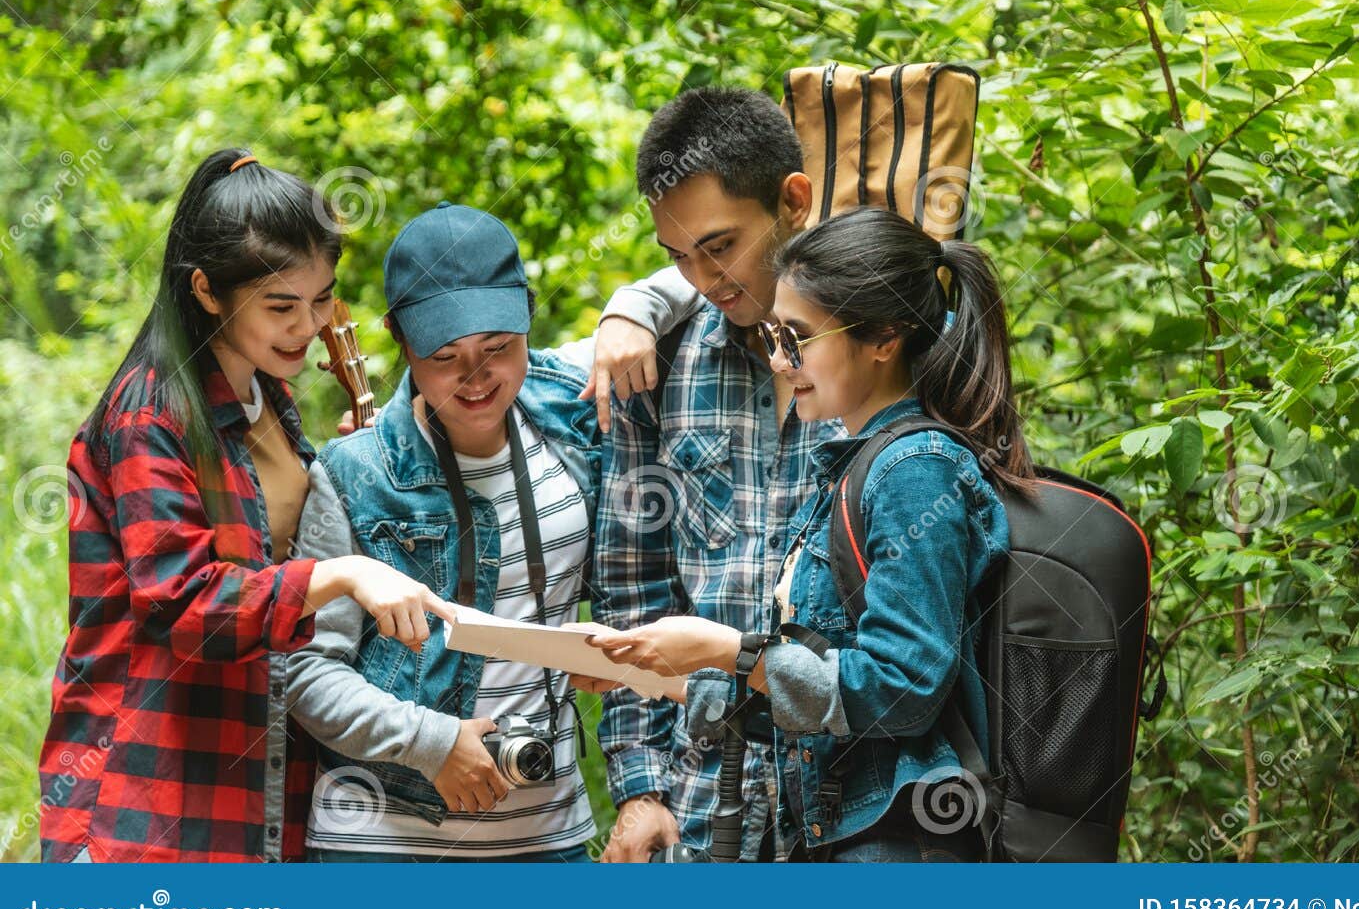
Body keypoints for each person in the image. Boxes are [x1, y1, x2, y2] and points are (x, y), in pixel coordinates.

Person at [38, 149, 455, 863]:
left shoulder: (269, 397)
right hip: (143, 806)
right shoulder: (151, 412)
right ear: (206, 290)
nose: (307, 324)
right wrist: (345, 574)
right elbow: (182, 605)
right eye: (280, 306)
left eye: (322, 298)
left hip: (252, 787)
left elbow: (273, 552)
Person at [588, 207, 1028, 861]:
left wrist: (735, 649)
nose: (779, 358)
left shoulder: (914, 471)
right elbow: (819, 698)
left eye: (797, 337)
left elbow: (903, 687)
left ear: (881, 337)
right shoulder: (850, 466)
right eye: (775, 336)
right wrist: (665, 667)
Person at [287, 202, 698, 861]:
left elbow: (717, 263)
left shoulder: (572, 406)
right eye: (445, 357)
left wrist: (631, 311)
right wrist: (432, 742)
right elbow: (307, 670)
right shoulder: (352, 472)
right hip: (380, 848)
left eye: (499, 349)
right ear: (398, 339)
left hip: (549, 839)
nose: (477, 378)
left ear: (527, 319)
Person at [587, 87, 847, 861]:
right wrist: (638, 787)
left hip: (855, 802)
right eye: (676, 258)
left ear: (792, 200)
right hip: (705, 803)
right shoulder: (658, 367)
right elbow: (635, 586)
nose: (703, 278)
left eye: (721, 246)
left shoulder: (885, 353)